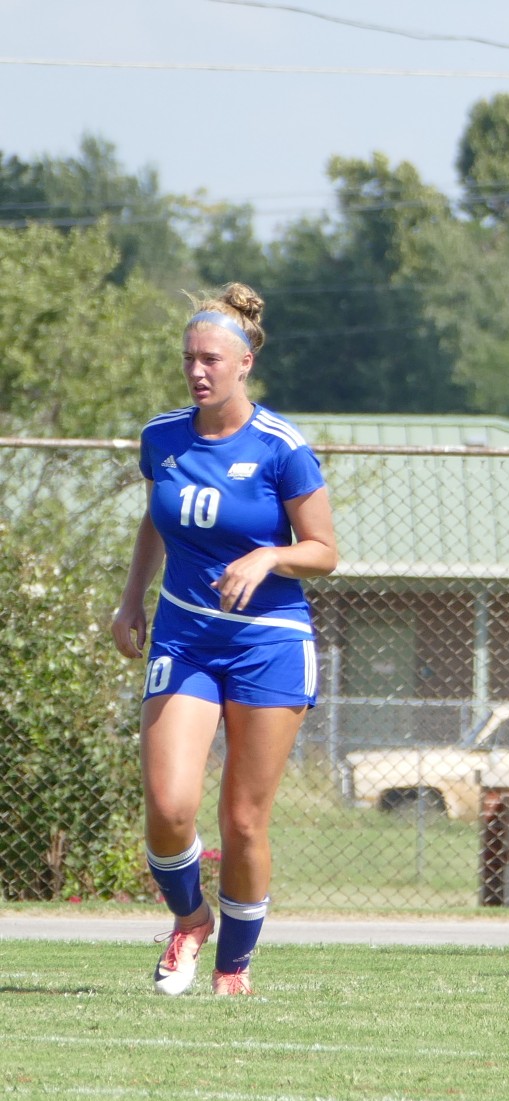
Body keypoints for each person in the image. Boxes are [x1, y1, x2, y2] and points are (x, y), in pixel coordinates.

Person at [110, 283, 338, 997]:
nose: (197, 371)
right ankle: (189, 920)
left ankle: (233, 970)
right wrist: (130, 600)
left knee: (242, 822)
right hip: (185, 637)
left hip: (268, 644)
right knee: (170, 804)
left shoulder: (282, 447)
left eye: (211, 358)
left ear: (244, 364)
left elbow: (325, 550)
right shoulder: (162, 437)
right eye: (188, 359)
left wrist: (270, 555)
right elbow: (157, 517)